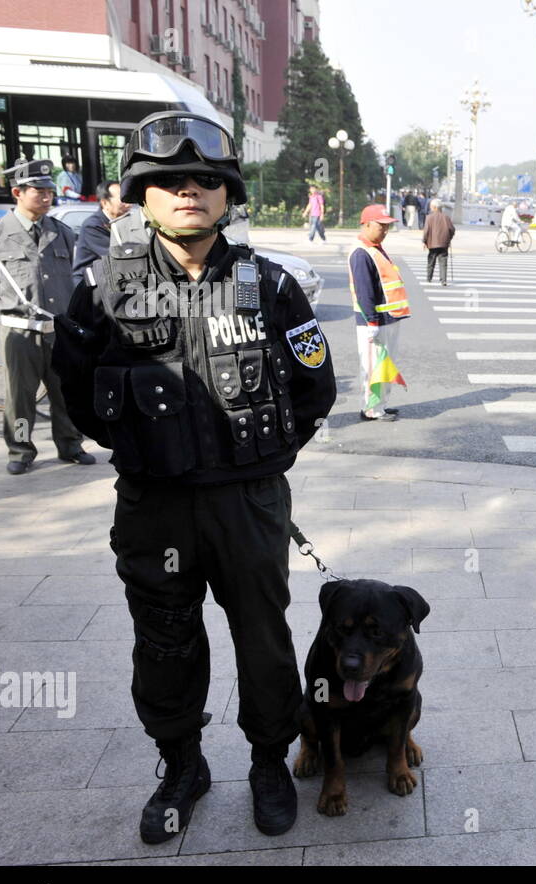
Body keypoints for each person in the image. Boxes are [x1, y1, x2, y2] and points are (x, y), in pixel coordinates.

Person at [52, 110, 337, 842]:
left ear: (227, 194)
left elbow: (316, 389)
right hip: (155, 507)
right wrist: (148, 452)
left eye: (206, 179)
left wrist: (259, 463)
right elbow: (75, 392)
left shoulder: (271, 286)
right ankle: (182, 765)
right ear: (140, 194)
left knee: (263, 639)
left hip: (248, 503)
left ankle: (269, 762)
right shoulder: (101, 290)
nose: (189, 190)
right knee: (164, 640)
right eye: (171, 179)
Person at [0, 159, 92, 474]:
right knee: (21, 399)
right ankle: (21, 449)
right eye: (39, 191)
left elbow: (71, 280)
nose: (46, 196)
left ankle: (71, 444)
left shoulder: (61, 232)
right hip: (20, 332)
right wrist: (4, 321)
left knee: (65, 392)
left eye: (49, 191)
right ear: (17, 192)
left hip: (58, 329)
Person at [350, 203, 410, 420]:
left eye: (387, 226)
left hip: (388, 319)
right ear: (366, 224)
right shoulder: (361, 253)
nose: (385, 230)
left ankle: (381, 405)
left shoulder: (375, 248)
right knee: (373, 367)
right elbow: (364, 291)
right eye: (380, 226)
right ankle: (371, 409)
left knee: (384, 365)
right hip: (373, 322)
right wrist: (372, 322)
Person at [71, 180, 130, 281]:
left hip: (112, 277)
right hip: (89, 282)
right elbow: (115, 255)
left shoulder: (125, 222)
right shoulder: (92, 226)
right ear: (105, 203)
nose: (128, 204)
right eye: (122, 199)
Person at [421, 198, 455, 285]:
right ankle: (443, 280)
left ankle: (429, 278)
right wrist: (449, 238)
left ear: (435, 207)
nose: (430, 208)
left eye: (431, 206)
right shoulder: (446, 217)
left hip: (432, 243)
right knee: (443, 262)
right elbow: (452, 229)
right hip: (444, 243)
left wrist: (424, 241)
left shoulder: (429, 217)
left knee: (431, 261)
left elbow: (426, 231)